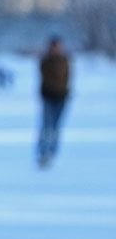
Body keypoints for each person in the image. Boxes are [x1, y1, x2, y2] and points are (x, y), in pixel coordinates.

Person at [36, 34, 71, 168]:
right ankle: (43, 153)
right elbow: (48, 76)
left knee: (56, 127)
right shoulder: (46, 60)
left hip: (61, 97)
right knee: (47, 126)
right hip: (48, 97)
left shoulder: (64, 60)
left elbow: (65, 77)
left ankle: (52, 152)